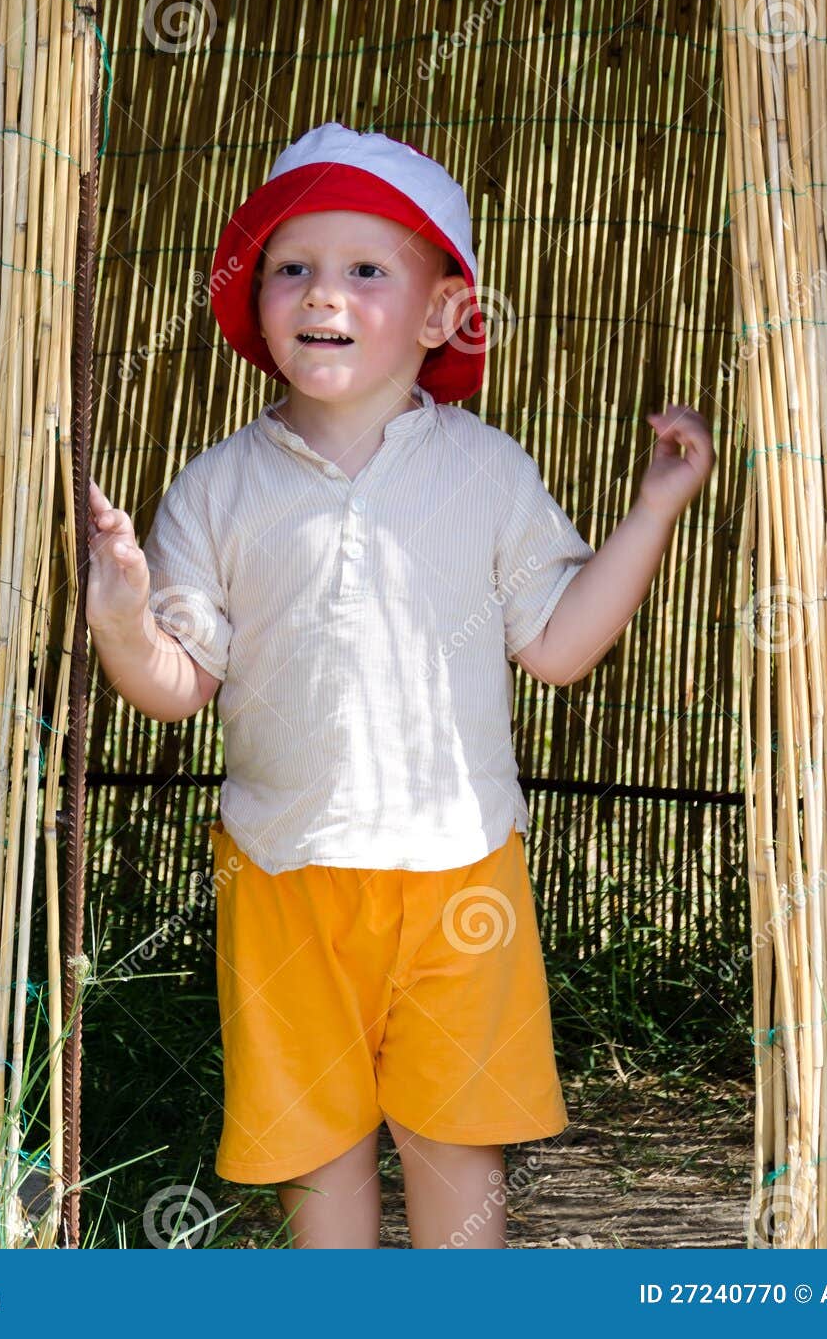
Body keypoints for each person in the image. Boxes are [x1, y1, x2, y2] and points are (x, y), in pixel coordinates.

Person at [86, 121, 716, 1249]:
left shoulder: (486, 469)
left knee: (454, 1143)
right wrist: (124, 614)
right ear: (255, 296)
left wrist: (658, 502)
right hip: (283, 872)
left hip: (458, 870)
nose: (322, 291)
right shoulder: (218, 487)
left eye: (365, 269)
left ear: (440, 315)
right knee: (318, 1156)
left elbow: (561, 645)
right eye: (293, 266)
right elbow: (177, 687)